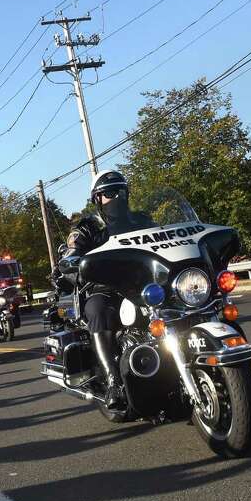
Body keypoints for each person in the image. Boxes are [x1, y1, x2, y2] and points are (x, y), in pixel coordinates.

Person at [63, 171, 154, 409]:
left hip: (143, 285)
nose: (114, 198)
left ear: (126, 193)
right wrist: (69, 260)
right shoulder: (88, 227)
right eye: (107, 194)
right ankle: (113, 380)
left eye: (118, 191)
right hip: (105, 288)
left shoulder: (142, 220)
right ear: (96, 199)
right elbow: (72, 252)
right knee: (97, 310)